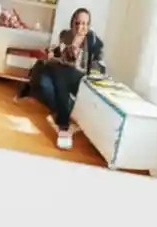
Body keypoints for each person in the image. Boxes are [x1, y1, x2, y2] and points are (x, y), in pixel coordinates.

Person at [17, 8, 105, 150]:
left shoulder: (95, 42)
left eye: (84, 24)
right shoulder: (66, 35)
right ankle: (63, 114)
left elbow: (98, 68)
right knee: (45, 79)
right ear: (72, 23)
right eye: (77, 23)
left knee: (59, 72)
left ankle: (63, 122)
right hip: (59, 76)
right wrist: (55, 52)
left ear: (88, 25)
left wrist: (95, 69)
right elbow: (60, 52)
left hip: (78, 80)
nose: (80, 27)